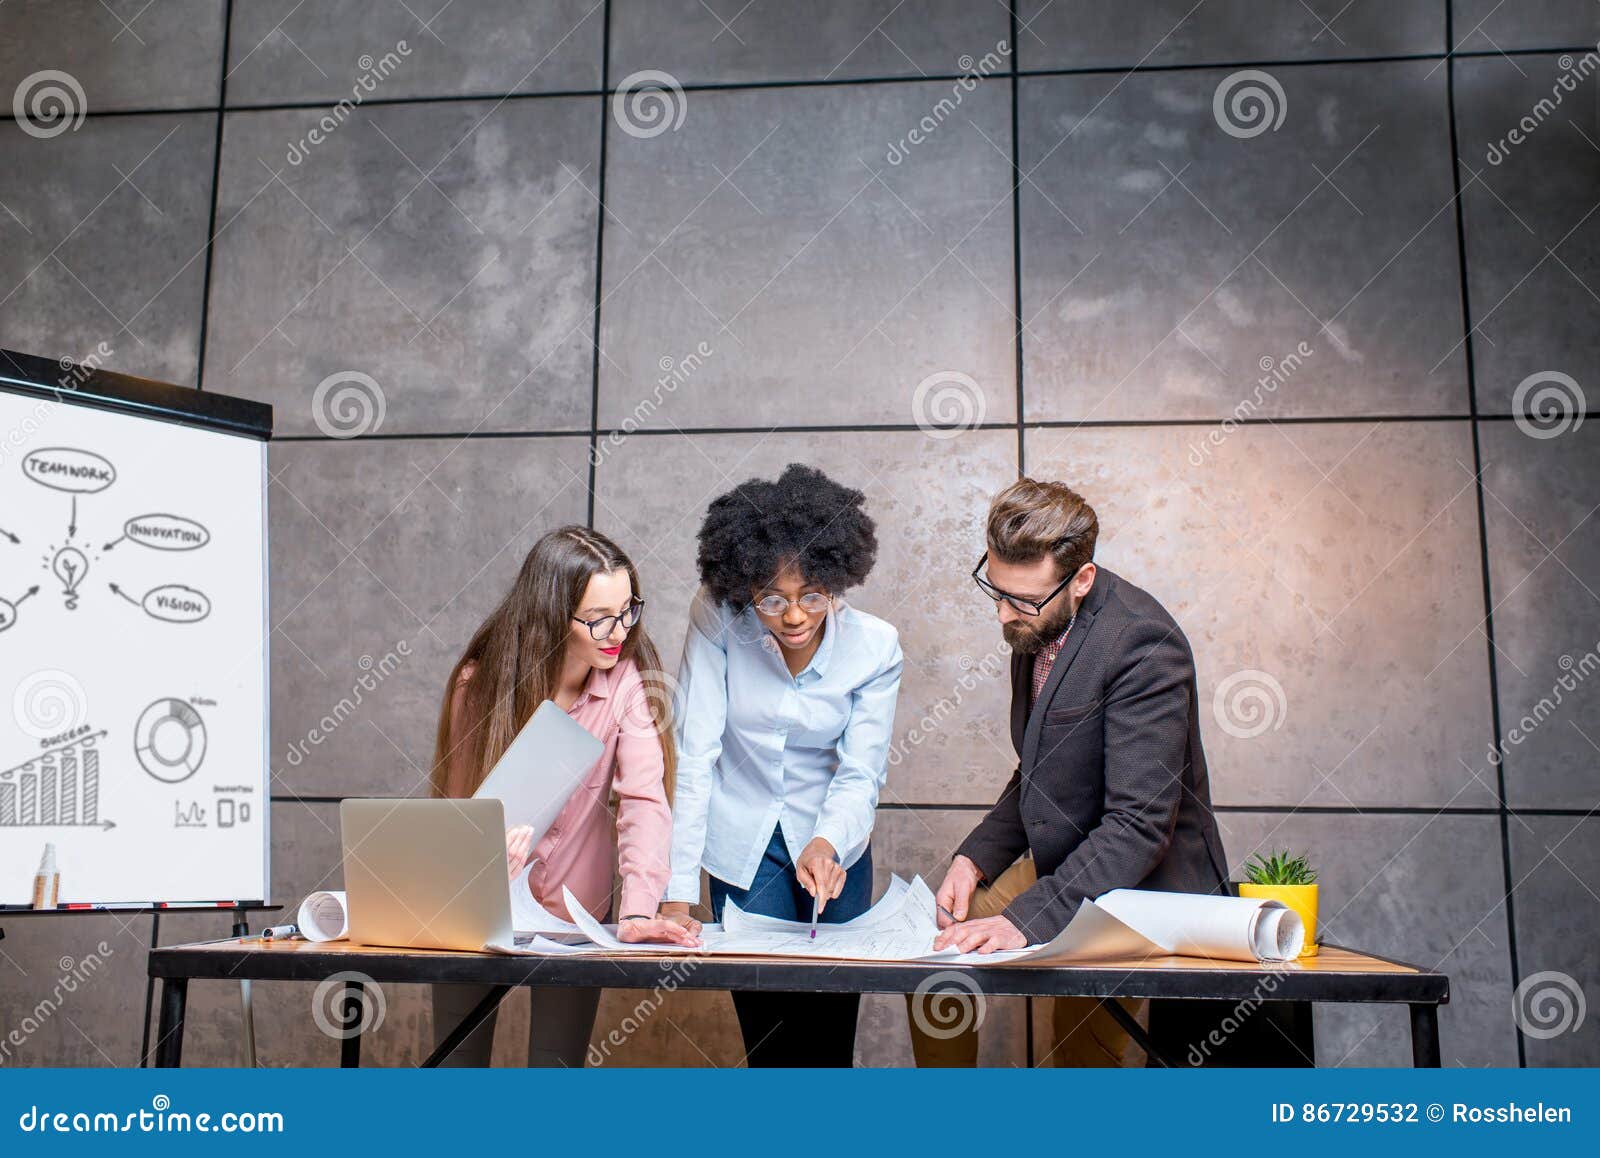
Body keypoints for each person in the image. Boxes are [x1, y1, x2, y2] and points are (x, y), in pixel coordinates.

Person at [912, 477, 1269, 1067]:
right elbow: (1041, 766)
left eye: (1022, 600)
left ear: (1081, 579)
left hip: (1140, 884)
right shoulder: (1037, 617)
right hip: (1068, 864)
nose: (1003, 613)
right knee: (937, 963)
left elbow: (1137, 825)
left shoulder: (1144, 645)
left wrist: (1022, 921)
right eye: (996, 590)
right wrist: (974, 858)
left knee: (1081, 1058)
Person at [658, 464, 903, 1067]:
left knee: (828, 1043)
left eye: (813, 595)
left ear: (839, 581)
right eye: (771, 599)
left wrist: (827, 840)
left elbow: (860, 771)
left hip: (833, 844)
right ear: (744, 589)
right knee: (770, 1045)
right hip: (742, 845)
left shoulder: (875, 647)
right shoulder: (718, 617)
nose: (794, 616)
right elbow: (695, 753)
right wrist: (676, 890)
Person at [429, 525, 697, 1067]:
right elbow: (456, 808)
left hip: (579, 912)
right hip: (478, 906)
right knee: (457, 1066)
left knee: (557, 1068)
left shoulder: (626, 682)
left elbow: (644, 800)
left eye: (628, 610)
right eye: (598, 617)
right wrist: (478, 856)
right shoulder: (477, 683)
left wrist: (640, 908)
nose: (617, 630)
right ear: (552, 614)